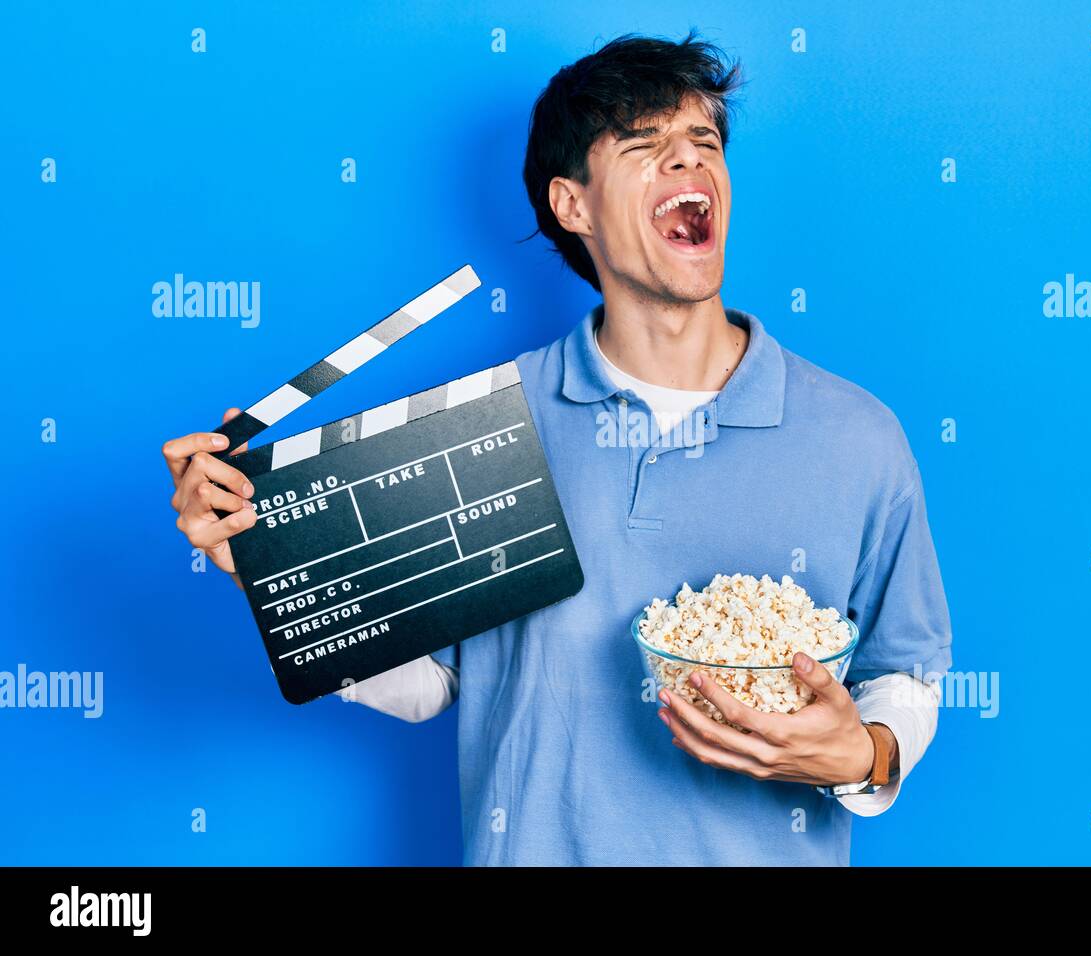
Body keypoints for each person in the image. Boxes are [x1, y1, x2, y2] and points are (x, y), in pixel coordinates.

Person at [162, 30, 953, 866]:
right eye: (647, 147)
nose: (689, 166)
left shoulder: (858, 437)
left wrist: (867, 757)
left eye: (705, 144)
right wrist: (267, 560)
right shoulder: (481, 425)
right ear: (572, 205)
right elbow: (435, 684)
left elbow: (906, 670)